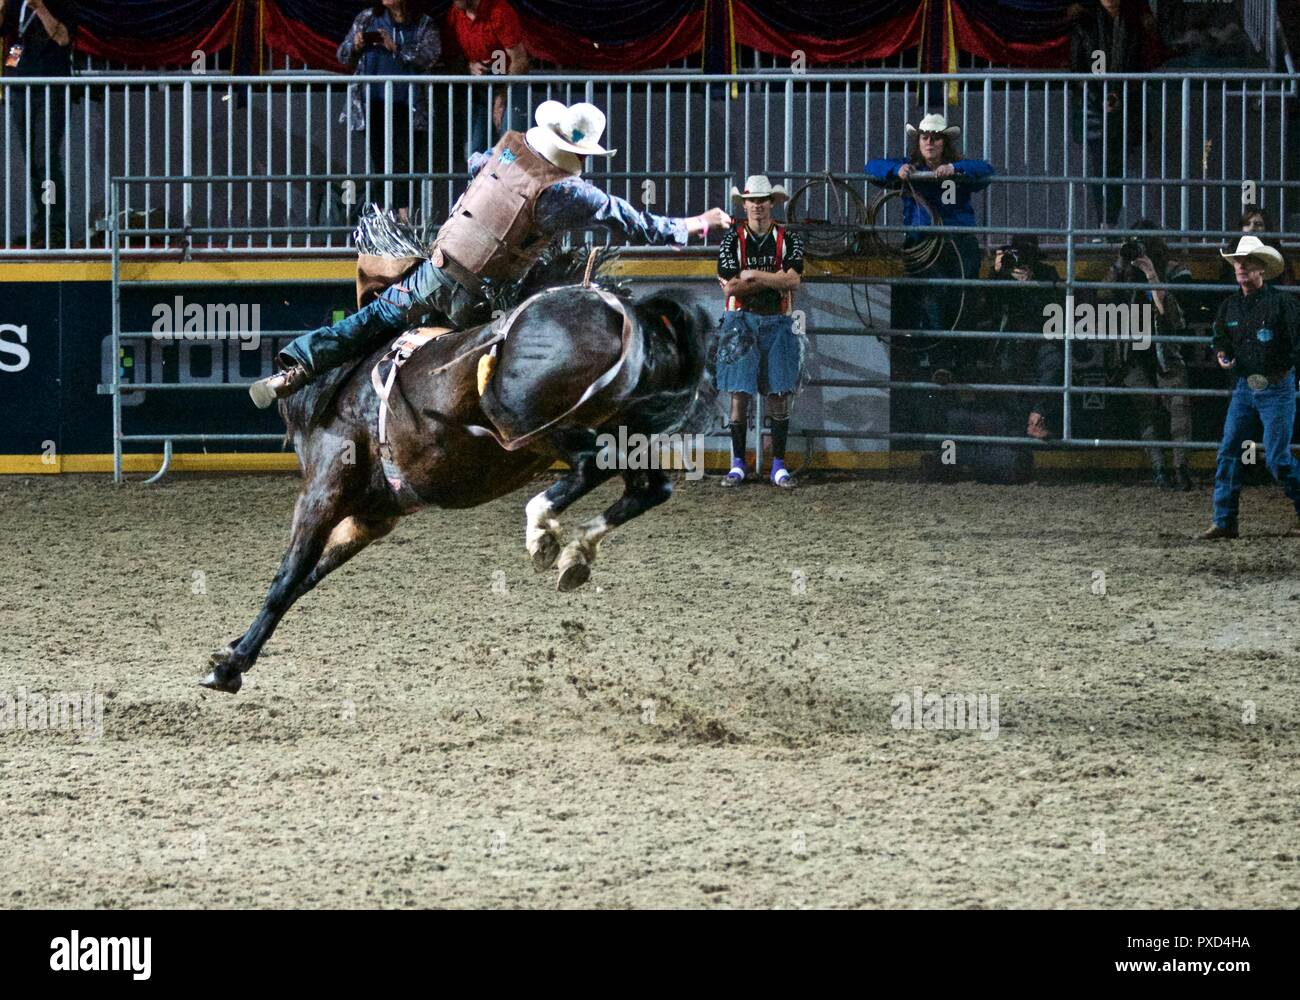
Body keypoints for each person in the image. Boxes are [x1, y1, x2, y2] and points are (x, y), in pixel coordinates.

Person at [251, 100, 731, 406]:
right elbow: (630, 218)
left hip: (433, 275)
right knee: (534, 329)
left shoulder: (506, 150)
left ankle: (295, 369)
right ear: (581, 155)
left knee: (370, 320)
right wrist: (694, 224)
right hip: (481, 299)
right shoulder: (570, 194)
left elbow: (474, 162)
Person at [865, 112, 994, 372]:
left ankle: (960, 358)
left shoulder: (958, 168)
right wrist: (896, 170)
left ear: (944, 142)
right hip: (923, 242)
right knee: (932, 299)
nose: (930, 142)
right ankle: (941, 360)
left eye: (936, 138)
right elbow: (871, 168)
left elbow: (987, 170)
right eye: (925, 137)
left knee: (962, 296)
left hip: (957, 240)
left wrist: (956, 169)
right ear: (919, 141)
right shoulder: (909, 167)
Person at [1200, 235, 1300, 539]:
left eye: (1247, 261)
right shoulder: (1230, 307)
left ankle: (1226, 520)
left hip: (1276, 386)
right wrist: (1221, 353)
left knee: (1277, 458)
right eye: (1238, 261)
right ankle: (1225, 520)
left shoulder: (1284, 304)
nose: (1241, 266)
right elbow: (1220, 338)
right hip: (1247, 387)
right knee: (1230, 450)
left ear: (1261, 269)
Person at [715, 175, 805, 489]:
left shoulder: (786, 237)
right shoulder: (732, 238)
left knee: (779, 394)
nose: (757, 206)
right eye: (752, 201)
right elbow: (731, 287)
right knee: (739, 395)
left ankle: (777, 465)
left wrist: (752, 274)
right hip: (742, 319)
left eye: (762, 200)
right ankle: (739, 463)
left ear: (771, 204)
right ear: (745, 204)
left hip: (775, 320)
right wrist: (773, 278)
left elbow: (793, 281)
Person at [1102, 221, 1194, 489]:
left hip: (1166, 345)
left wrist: (1152, 272)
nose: (1139, 248)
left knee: (1178, 404)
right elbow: (1102, 295)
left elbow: (1174, 313)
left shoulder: (1175, 269)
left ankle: (1181, 468)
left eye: (1142, 242)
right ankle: (1159, 470)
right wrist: (1121, 262)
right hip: (1132, 348)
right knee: (1146, 408)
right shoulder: (1124, 271)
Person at [337, 1, 442, 221]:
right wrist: (355, 45)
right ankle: (383, 218)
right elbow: (342, 56)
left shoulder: (423, 24)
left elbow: (431, 56)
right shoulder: (366, 18)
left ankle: (404, 218)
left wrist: (396, 48)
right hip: (372, 103)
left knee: (403, 162)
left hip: (408, 105)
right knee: (378, 163)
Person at [1069, 0, 1162, 234]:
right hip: (1092, 104)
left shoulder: (1133, 23)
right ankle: (1103, 223)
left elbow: (1140, 68)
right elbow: (1077, 68)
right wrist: (1099, 96)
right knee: (1099, 165)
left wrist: (1119, 95)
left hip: (1126, 104)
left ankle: (1110, 223)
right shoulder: (1084, 21)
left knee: (1116, 166)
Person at [0, 0, 77, 248]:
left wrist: (41, 8)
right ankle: (41, 225)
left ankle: (56, 228)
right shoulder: (15, 4)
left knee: (46, 158)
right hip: (21, 88)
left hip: (51, 86)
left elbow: (64, 38)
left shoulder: (63, 3)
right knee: (32, 161)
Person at [978, 234, 1063, 440]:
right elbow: (988, 307)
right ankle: (1020, 423)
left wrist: (1032, 284)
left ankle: (1037, 417)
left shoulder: (1046, 272)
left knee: (1055, 362)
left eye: (1027, 253)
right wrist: (998, 274)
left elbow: (1055, 307)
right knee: (1007, 371)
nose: (1022, 258)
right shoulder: (1003, 271)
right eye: (1018, 253)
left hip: (1041, 334)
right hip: (1011, 336)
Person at [443, 0, 529, 161]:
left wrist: (503, 97)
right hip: (478, 89)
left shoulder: (499, 10)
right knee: (474, 151)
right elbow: (451, 55)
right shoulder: (455, 12)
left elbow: (520, 60)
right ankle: (477, 184)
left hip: (510, 84)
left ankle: (507, 183)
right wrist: (469, 66)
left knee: (510, 148)